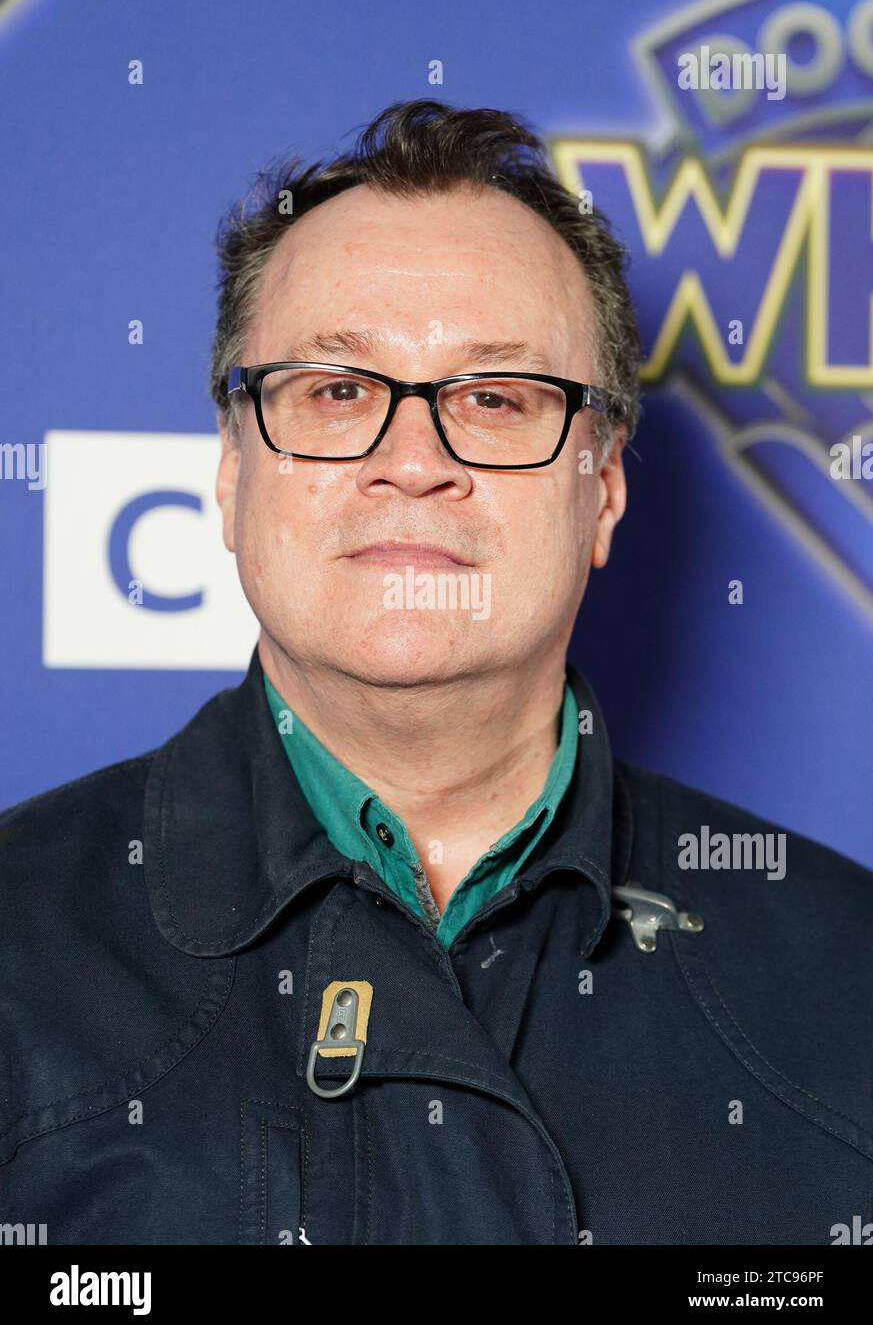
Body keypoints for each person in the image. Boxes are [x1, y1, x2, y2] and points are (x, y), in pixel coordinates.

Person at [2, 100, 871, 1247]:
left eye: (496, 399)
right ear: (229, 472)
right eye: (337, 390)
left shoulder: (845, 977)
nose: (412, 463)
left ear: (602, 489)